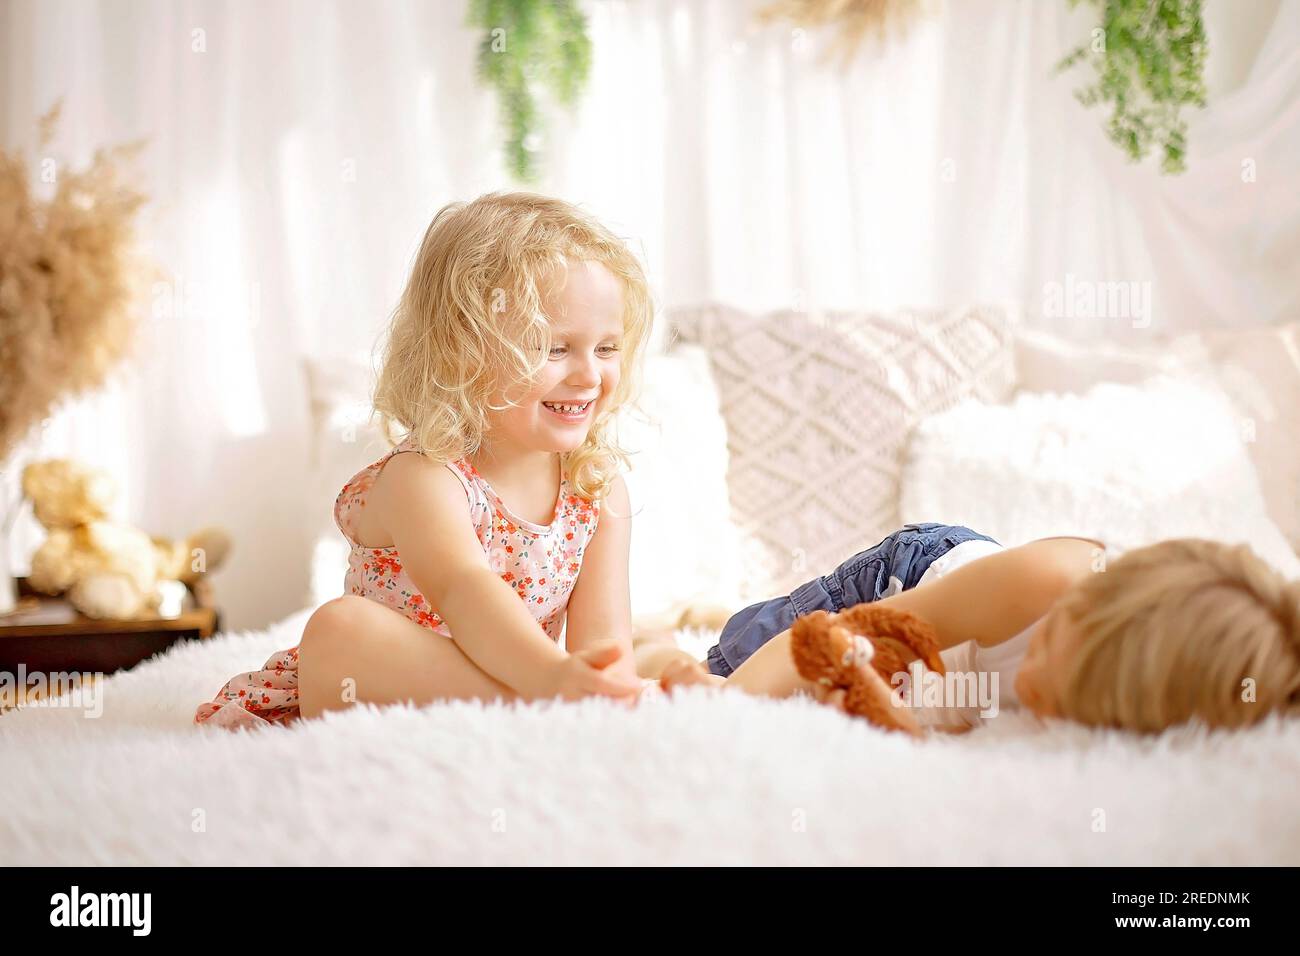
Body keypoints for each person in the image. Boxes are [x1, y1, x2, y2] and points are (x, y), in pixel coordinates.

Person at [195, 192, 654, 729]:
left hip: (519, 684)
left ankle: (543, 709)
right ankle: (539, 707)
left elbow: (603, 638)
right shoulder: (426, 476)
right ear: (463, 348)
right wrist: (553, 679)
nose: (588, 376)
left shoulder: (595, 488)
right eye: (554, 349)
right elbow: (465, 591)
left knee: (624, 669)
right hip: (386, 678)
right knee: (340, 630)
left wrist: (603, 682)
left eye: (606, 349)